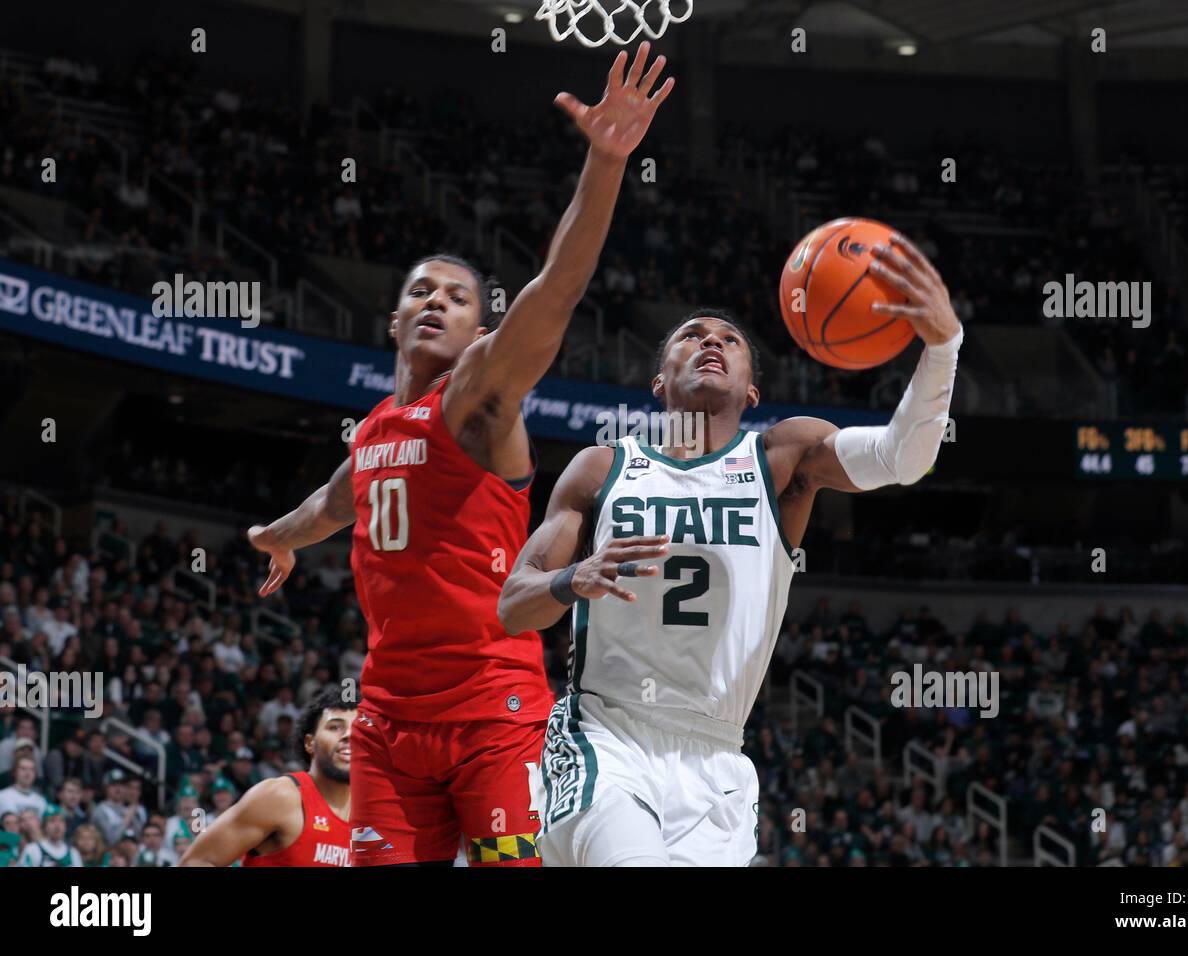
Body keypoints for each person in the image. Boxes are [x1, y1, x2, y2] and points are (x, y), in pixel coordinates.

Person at [246, 44, 674, 868]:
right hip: (387, 719)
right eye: (420, 291)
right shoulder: (373, 430)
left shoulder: (475, 398)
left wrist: (606, 160)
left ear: (482, 332)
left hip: (494, 707)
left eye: (457, 295)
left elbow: (556, 288)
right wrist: (276, 537)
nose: (434, 300)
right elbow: (333, 505)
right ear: (395, 320)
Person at [499, 234, 961, 865]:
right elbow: (512, 607)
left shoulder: (784, 457)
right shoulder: (602, 468)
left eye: (729, 339)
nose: (711, 341)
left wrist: (942, 347)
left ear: (751, 393)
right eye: (691, 335)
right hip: (605, 735)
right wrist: (572, 578)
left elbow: (900, 458)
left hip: (715, 755)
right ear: (659, 381)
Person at [180, 687, 354, 867]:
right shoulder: (280, 797)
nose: (349, 735)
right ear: (310, 743)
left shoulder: (375, 819)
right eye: (335, 727)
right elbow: (196, 861)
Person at [18, 806, 83, 867]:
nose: (57, 826)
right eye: (52, 821)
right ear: (44, 826)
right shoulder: (32, 849)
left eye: (61, 821)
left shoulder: (73, 853)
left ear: (65, 826)